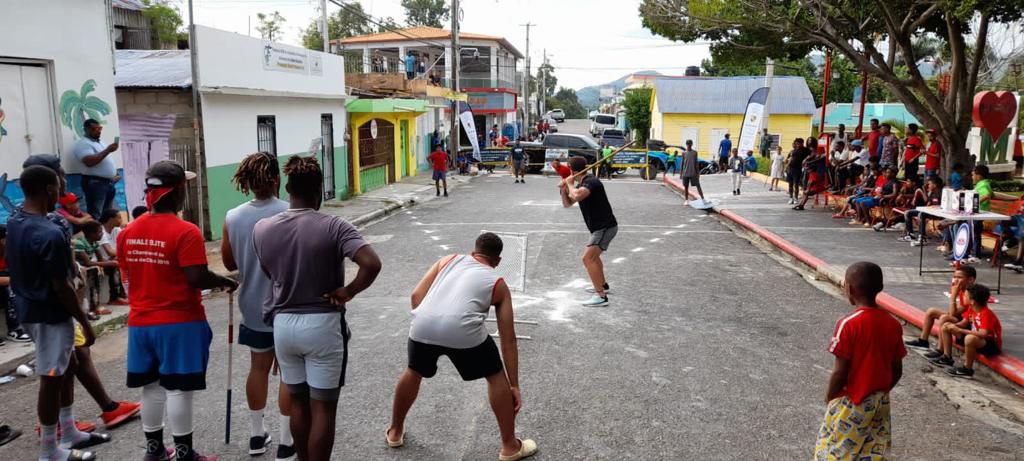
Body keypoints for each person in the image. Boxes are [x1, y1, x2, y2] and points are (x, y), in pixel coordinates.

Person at [253, 155, 382, 461]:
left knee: (298, 402)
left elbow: (270, 271)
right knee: (323, 407)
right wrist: (348, 291)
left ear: (288, 189)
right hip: (323, 325)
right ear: (319, 191)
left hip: (283, 326)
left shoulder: (262, 229)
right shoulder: (334, 226)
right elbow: (371, 263)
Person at [118, 160, 237, 461]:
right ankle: (184, 454)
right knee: (178, 389)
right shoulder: (186, 231)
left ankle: (154, 450)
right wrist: (224, 280)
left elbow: (127, 277)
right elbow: (196, 277)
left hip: (140, 322)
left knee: (152, 387)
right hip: (179, 321)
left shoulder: (127, 232)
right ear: (179, 190)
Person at [385, 233, 538, 461]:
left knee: (414, 370)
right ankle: (510, 446)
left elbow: (416, 295)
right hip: (463, 332)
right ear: (497, 260)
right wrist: (513, 385)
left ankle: (395, 432)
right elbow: (508, 339)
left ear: (473, 251)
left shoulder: (447, 260)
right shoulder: (497, 283)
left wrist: (429, 323)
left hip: (423, 324)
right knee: (495, 376)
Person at [23, 154, 141, 435]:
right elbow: (59, 278)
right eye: (61, 175)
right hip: (53, 306)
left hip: (45, 304)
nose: (64, 180)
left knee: (73, 359)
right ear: (50, 183)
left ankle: (79, 417)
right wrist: (82, 316)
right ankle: (57, 426)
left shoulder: (29, 217)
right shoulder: (47, 222)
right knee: (58, 368)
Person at [8, 166, 109, 461]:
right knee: (51, 378)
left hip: (30, 306)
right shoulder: (48, 232)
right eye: (59, 186)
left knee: (69, 364)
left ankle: (69, 431)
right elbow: (62, 287)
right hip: (49, 312)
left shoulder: (16, 220)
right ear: (49, 190)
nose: (61, 192)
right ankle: (50, 450)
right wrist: (84, 323)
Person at [221, 152, 294, 459]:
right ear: (277, 179)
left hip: (252, 306)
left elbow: (229, 263)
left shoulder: (233, 217)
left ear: (247, 183)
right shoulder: (291, 212)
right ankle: (286, 441)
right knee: (289, 372)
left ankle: (255, 435)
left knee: (258, 368)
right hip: (287, 305)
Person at [815, 262, 904, 459]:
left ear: (849, 288)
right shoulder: (893, 324)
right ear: (880, 288)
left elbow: (840, 371)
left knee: (835, 451)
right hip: (879, 401)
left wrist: (830, 396)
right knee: (871, 452)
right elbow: (897, 369)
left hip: (851, 400)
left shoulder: (848, 324)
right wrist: (881, 391)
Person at [560, 157, 617, 307]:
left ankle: (601, 296)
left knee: (587, 258)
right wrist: (564, 190)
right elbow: (568, 203)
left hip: (604, 227)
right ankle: (602, 285)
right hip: (600, 228)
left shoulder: (591, 182)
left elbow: (577, 195)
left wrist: (570, 184)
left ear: (573, 170)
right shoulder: (581, 184)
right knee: (594, 257)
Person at [930, 284, 1002, 378]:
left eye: (965, 296)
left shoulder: (986, 313)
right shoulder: (972, 308)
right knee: (946, 326)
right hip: (977, 339)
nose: (963, 297)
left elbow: (983, 334)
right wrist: (954, 326)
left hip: (990, 344)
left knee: (969, 338)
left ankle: (967, 369)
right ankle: (947, 357)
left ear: (972, 301)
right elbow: (963, 323)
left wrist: (960, 330)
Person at [905, 266, 976, 351]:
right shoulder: (963, 290)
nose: (956, 280)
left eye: (960, 277)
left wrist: (953, 296)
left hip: (969, 325)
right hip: (963, 319)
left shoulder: (972, 294)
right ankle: (923, 341)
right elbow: (956, 312)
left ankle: (940, 350)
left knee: (944, 318)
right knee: (931, 311)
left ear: (970, 280)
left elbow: (953, 314)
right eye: (955, 277)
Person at [73, 119, 120, 218]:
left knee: (107, 215)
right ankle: (96, 228)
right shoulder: (83, 144)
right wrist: (108, 150)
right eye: (95, 129)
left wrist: (114, 173)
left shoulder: (100, 142)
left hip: (108, 183)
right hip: (95, 184)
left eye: (100, 128)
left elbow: (105, 161)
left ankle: (105, 229)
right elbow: (89, 162)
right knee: (96, 214)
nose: (99, 131)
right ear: (87, 129)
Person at [74, 220, 121, 316]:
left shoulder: (95, 243)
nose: (102, 234)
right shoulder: (79, 243)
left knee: (112, 266)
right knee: (95, 271)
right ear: (91, 234)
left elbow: (101, 259)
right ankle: (95, 306)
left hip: (86, 267)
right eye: (99, 232)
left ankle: (116, 297)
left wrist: (114, 261)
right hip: (77, 268)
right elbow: (88, 263)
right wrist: (110, 263)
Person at [0, 224, 32, 344]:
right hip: (5, 283)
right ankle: (14, 329)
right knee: (10, 288)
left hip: (7, 278)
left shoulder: (11, 251)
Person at [899, 175, 943, 245]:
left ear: (935, 185)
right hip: (930, 211)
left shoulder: (942, 193)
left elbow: (941, 206)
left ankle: (922, 238)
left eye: (929, 184)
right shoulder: (932, 193)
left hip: (938, 213)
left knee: (921, 214)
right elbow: (928, 203)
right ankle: (910, 235)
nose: (928, 186)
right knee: (908, 213)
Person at [793, 142, 828, 210]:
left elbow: (812, 162)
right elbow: (806, 162)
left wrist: (808, 162)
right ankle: (801, 204)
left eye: (812, 149)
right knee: (807, 190)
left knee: (807, 191)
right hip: (815, 175)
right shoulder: (814, 156)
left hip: (819, 177)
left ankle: (801, 204)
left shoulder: (821, 156)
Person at [785, 138, 809, 205]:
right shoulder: (793, 150)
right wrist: (786, 166)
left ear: (802, 143)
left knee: (796, 185)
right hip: (790, 169)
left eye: (798, 143)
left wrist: (805, 161)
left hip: (797, 169)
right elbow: (788, 159)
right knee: (790, 184)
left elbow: (809, 156)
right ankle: (791, 198)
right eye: (796, 143)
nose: (797, 145)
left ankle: (796, 198)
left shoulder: (805, 150)